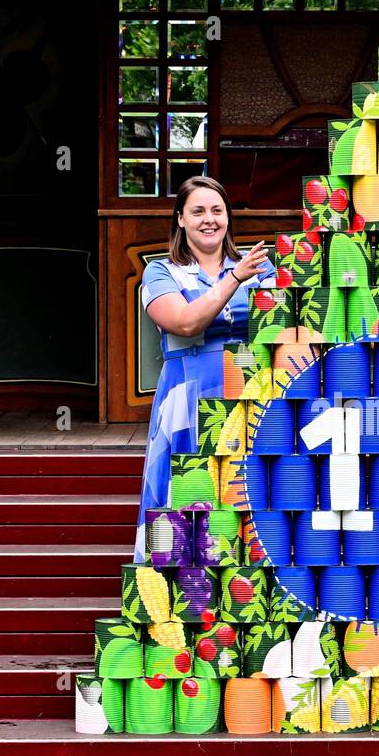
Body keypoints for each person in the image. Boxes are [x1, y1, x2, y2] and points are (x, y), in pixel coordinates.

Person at [134, 175, 275, 562]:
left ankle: (238, 592)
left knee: (240, 493)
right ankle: (175, 590)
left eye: (217, 210)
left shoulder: (257, 267)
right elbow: (184, 323)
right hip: (188, 396)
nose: (208, 219)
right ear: (180, 219)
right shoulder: (161, 272)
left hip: (247, 396)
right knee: (183, 494)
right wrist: (233, 280)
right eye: (197, 211)